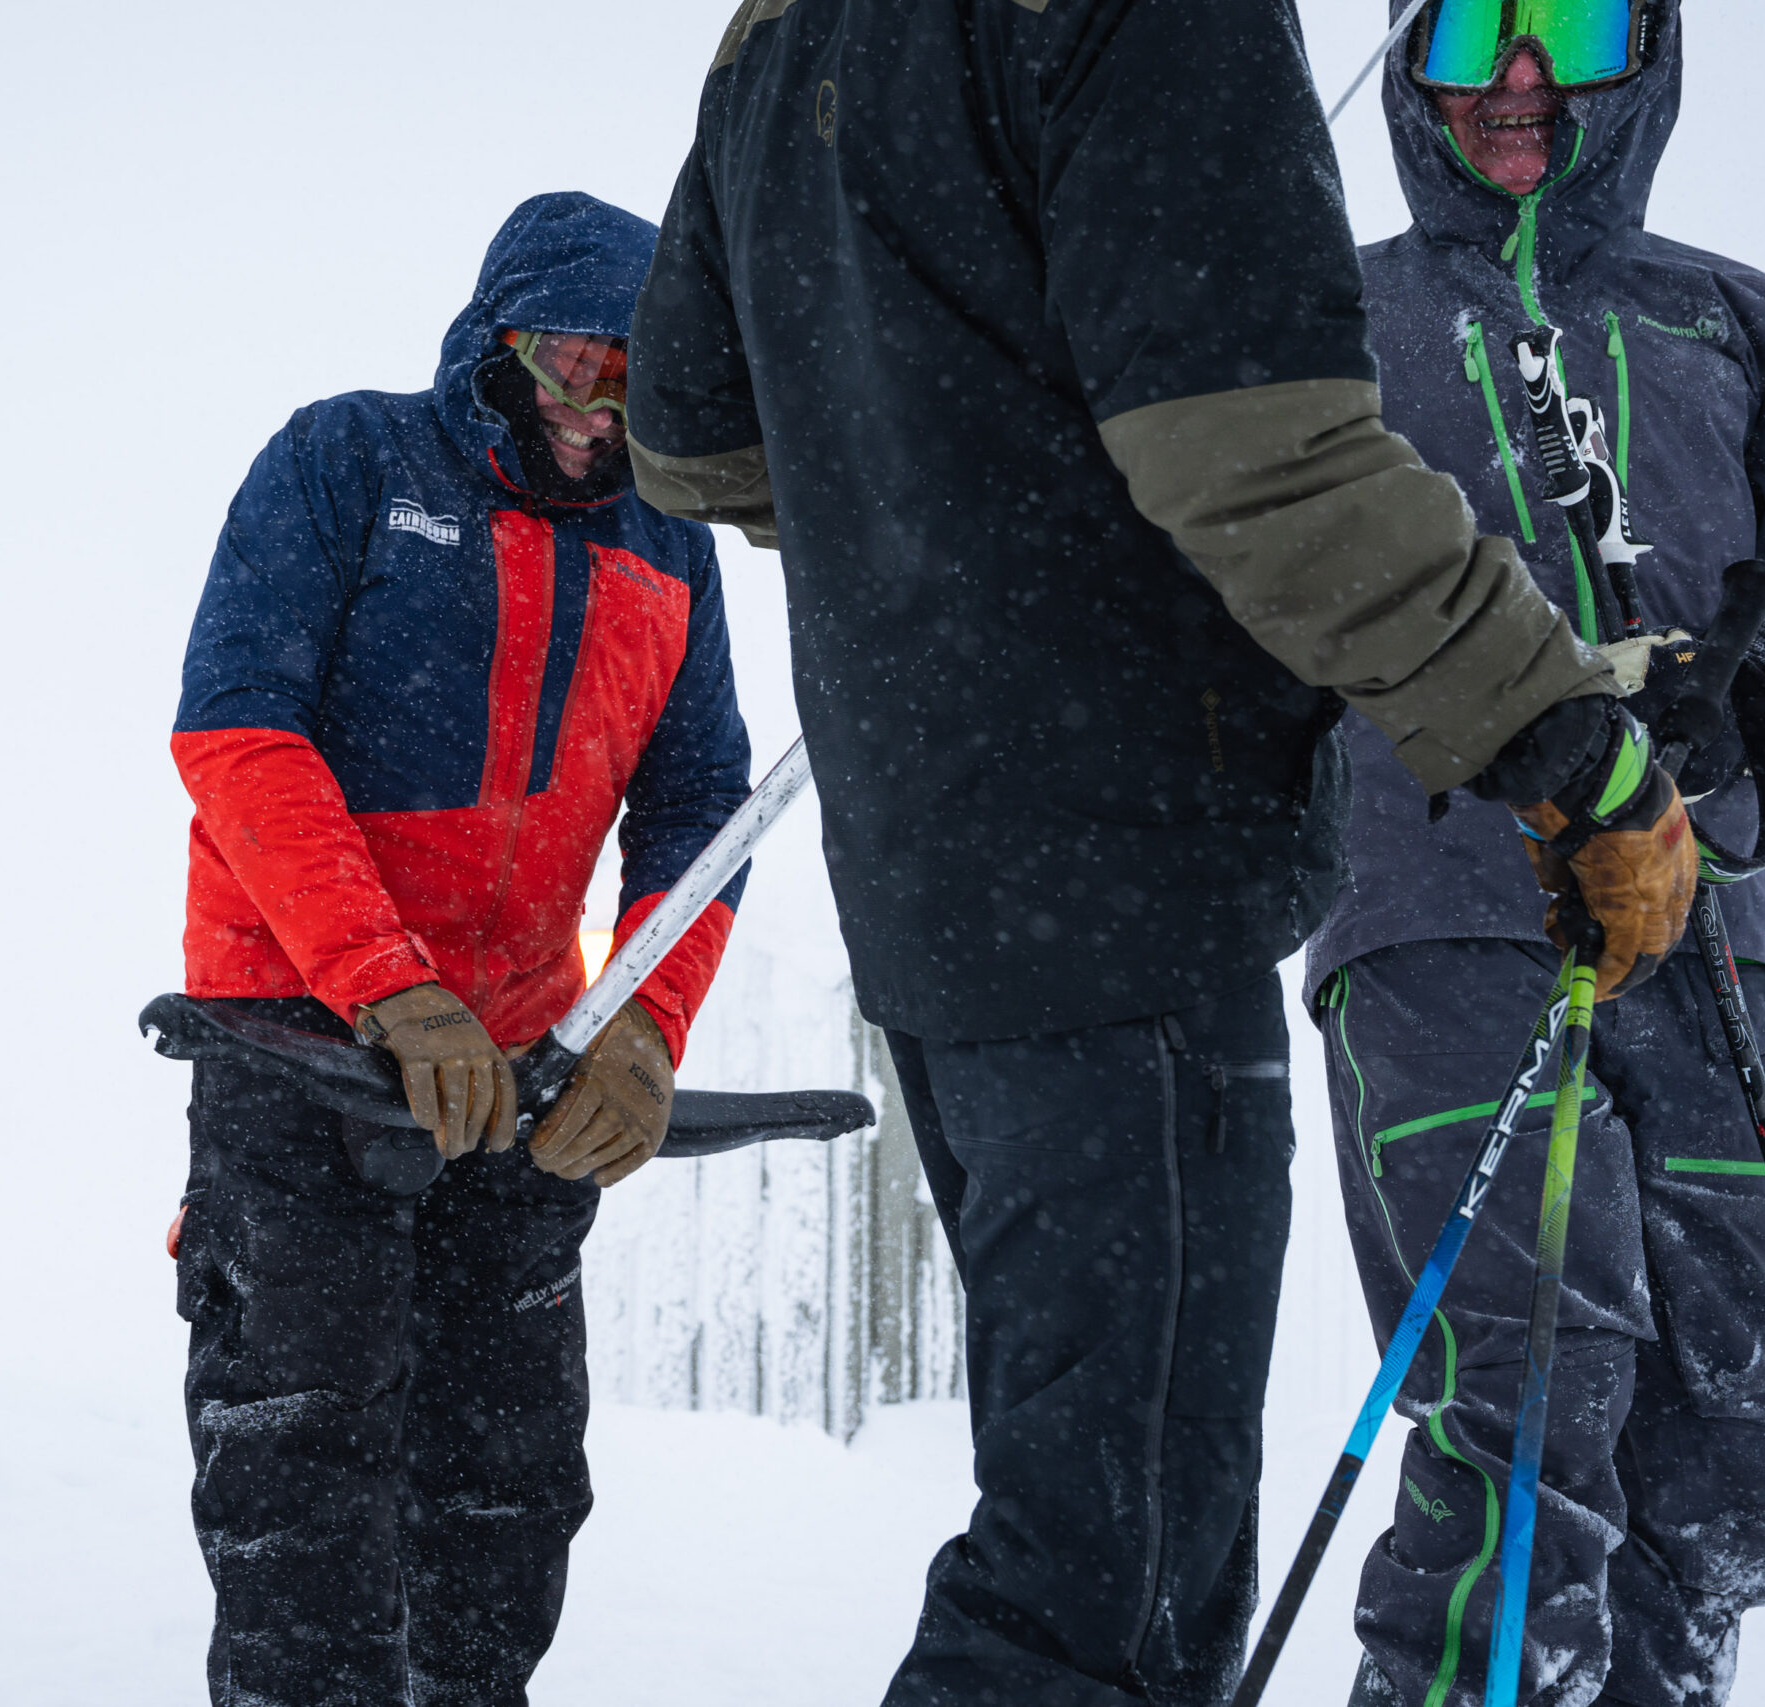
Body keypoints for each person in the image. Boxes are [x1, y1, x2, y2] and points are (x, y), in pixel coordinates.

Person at [627, 2, 1698, 1703]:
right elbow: (1262, 454)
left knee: (1098, 1536)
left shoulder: (779, 32)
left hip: (943, 890)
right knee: (1102, 1593)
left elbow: (686, 428)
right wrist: (1567, 740)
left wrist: (931, 498)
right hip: (1118, 870)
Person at [1301, 4, 1765, 1702]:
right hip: (1437, 883)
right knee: (1536, 1377)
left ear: (1648, 55)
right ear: (1408, 62)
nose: (1517, 78)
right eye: (1470, 29)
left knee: (1734, 1391)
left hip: (1712, 911)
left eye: (1575, 25)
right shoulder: (1331, 318)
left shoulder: (1749, 329)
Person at [168, 190, 752, 1707]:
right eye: (572, 364)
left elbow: (699, 807)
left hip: (520, 1083)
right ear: (496, 338)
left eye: (634, 379)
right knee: (307, 1488)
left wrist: (643, 1028)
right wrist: (387, 982)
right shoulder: (345, 463)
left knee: (504, 1497)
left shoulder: (672, 546)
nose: (596, 411)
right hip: (299, 1052)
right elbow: (239, 735)